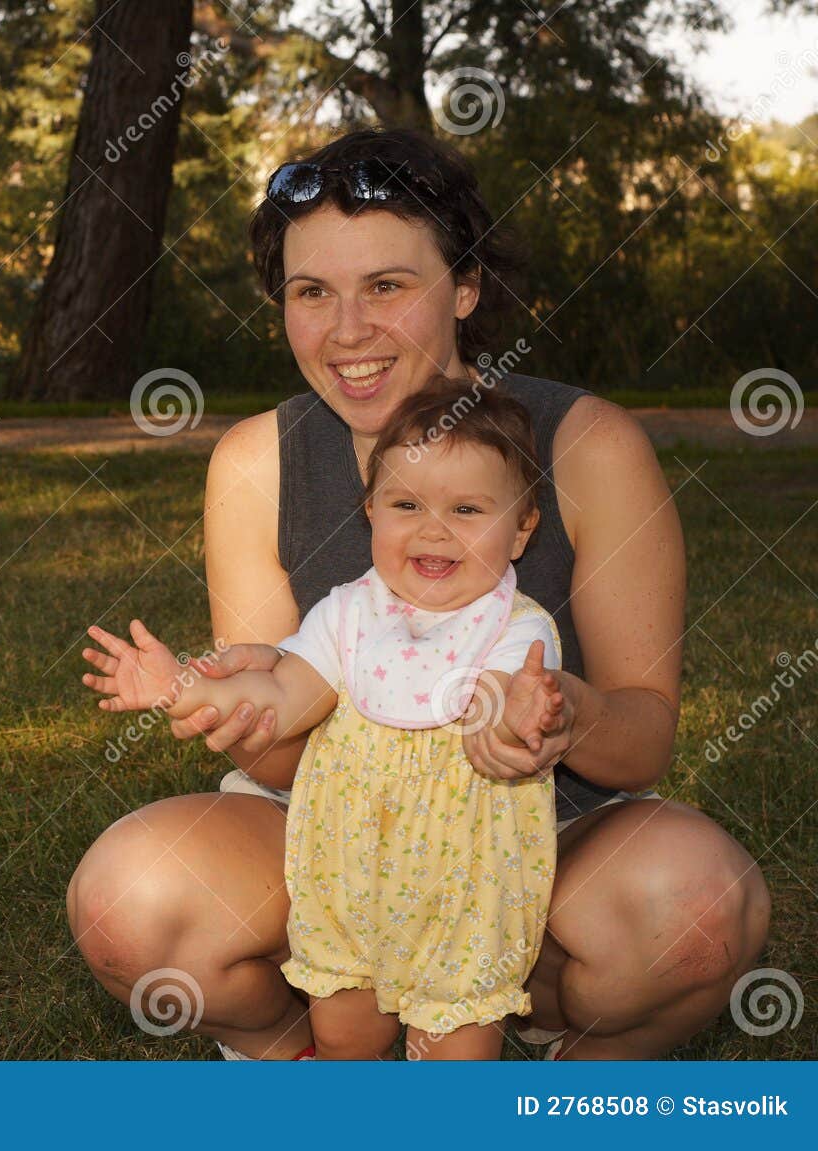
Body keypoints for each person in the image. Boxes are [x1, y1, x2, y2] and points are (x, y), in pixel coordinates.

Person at [69, 127, 771, 1060]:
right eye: (311, 291)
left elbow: (644, 733)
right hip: (333, 828)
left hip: (538, 831)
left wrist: (564, 720)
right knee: (126, 902)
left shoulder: (586, 447)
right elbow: (280, 754)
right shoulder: (256, 463)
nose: (346, 330)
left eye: (387, 286)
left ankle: (549, 1085)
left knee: (702, 909)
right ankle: (319, 1071)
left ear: (466, 288)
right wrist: (246, 712)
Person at [89, 379, 569, 1059]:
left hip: (467, 899)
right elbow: (282, 696)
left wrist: (523, 711)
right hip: (345, 885)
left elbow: (499, 710)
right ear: (370, 511)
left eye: (467, 509)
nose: (434, 528)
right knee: (344, 1041)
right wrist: (183, 687)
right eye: (406, 504)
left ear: (522, 528)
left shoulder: (518, 631)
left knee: (455, 1054)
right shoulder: (346, 615)